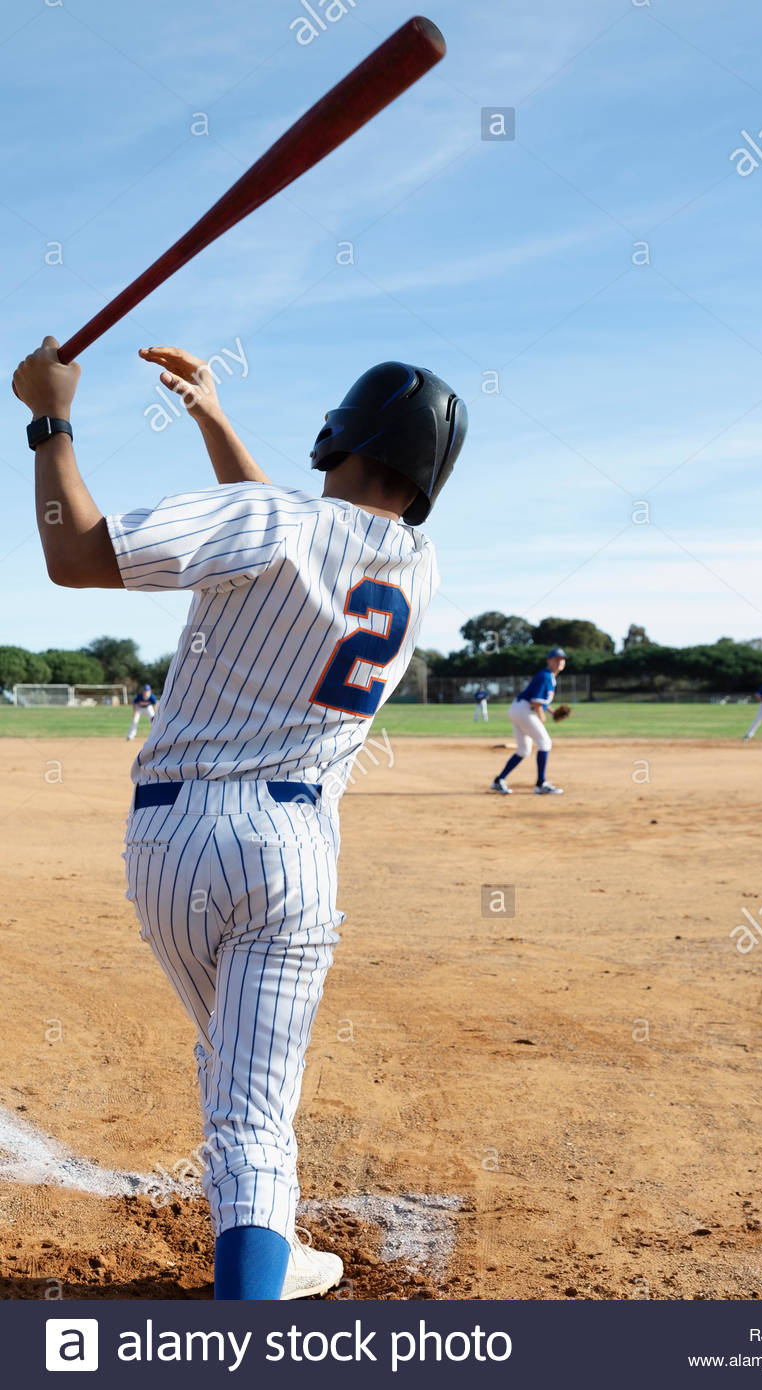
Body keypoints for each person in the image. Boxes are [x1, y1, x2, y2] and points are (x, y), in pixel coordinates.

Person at [14, 336, 466, 1301]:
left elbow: (74, 556)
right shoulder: (419, 567)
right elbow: (289, 528)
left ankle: (275, 1254)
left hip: (170, 847)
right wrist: (212, 417)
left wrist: (49, 420)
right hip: (290, 852)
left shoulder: (274, 521)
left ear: (339, 430)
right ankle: (248, 1317)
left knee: (234, 1069)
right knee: (250, 1102)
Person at [491, 647, 566, 794]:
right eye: (556, 659)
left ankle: (499, 780)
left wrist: (551, 711)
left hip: (518, 709)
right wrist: (542, 716)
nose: (559, 662)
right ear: (549, 661)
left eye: (562, 660)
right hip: (525, 710)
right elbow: (536, 702)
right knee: (545, 743)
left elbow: (541, 701)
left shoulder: (548, 676)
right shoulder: (545, 676)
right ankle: (541, 784)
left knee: (524, 750)